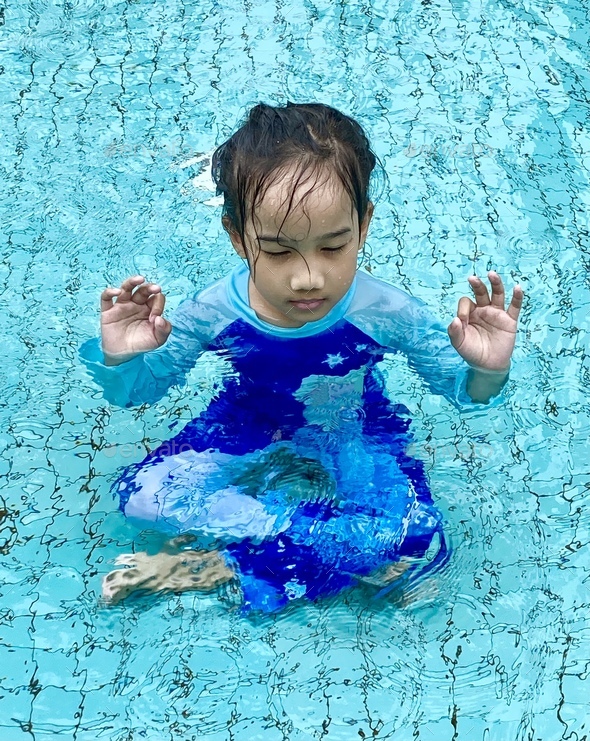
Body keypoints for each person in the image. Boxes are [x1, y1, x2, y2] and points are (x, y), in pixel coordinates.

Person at [81, 102, 523, 613]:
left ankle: (219, 563)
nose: (307, 276)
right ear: (237, 237)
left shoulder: (387, 313)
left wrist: (487, 368)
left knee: (416, 544)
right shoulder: (212, 312)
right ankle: (304, 546)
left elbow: (466, 395)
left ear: (363, 226)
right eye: (278, 251)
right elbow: (135, 392)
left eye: (332, 248)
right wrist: (121, 359)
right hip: (243, 423)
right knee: (139, 496)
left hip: (352, 428)